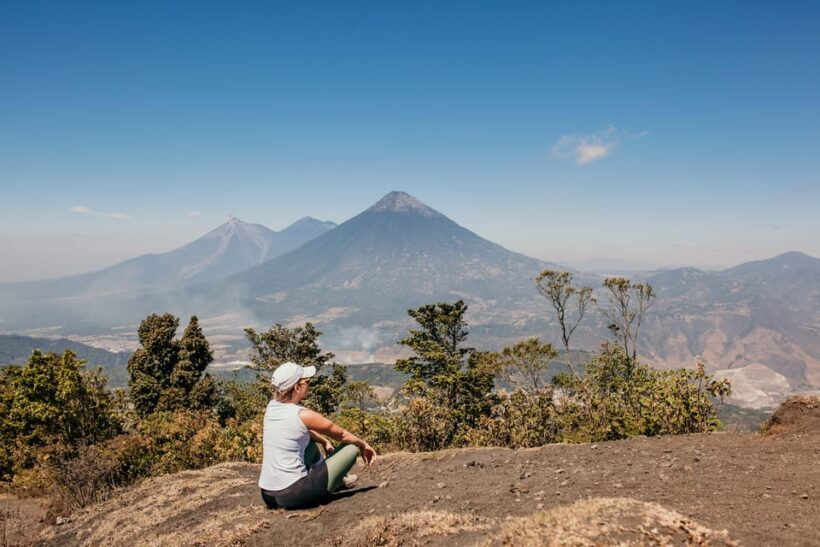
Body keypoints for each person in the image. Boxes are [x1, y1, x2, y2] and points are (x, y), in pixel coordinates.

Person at [258, 361, 377, 509]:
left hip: (268, 495)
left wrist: (324, 441)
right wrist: (364, 445)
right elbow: (342, 435)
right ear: (297, 387)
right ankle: (336, 481)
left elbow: (297, 431)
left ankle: (337, 479)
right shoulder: (303, 414)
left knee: (309, 443)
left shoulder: (272, 407)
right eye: (307, 381)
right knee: (351, 447)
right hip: (294, 495)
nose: (309, 384)